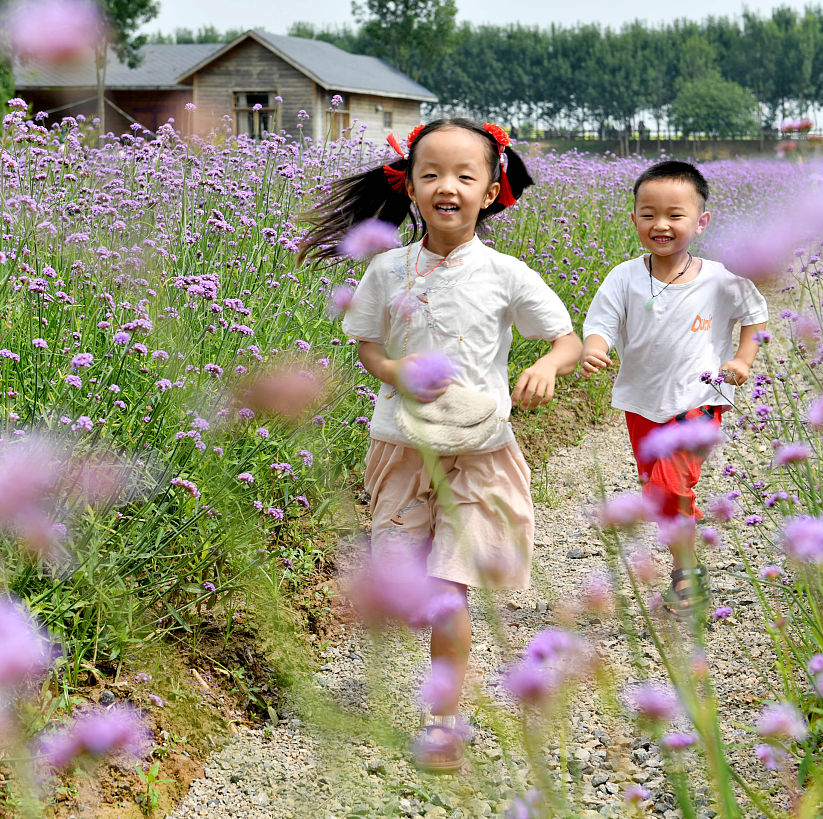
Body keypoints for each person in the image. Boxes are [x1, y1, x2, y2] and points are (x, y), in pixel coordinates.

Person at [299, 119, 582, 771]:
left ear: (492, 190)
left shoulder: (508, 274)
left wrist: (546, 368)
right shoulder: (386, 269)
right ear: (409, 186)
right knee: (417, 592)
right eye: (430, 174)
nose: (446, 186)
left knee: (449, 591)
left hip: (480, 450)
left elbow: (563, 337)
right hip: (402, 446)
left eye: (463, 175)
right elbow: (366, 344)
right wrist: (395, 372)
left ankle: (444, 720)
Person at [580, 160, 768, 615]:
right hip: (643, 404)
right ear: (634, 220)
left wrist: (742, 360)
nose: (660, 224)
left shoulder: (721, 277)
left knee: (669, 483)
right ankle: (688, 561)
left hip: (699, 401)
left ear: (700, 222)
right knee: (657, 493)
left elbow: (755, 318)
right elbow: (601, 322)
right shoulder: (624, 276)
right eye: (648, 214)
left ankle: (688, 577)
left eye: (674, 215)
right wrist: (593, 347)